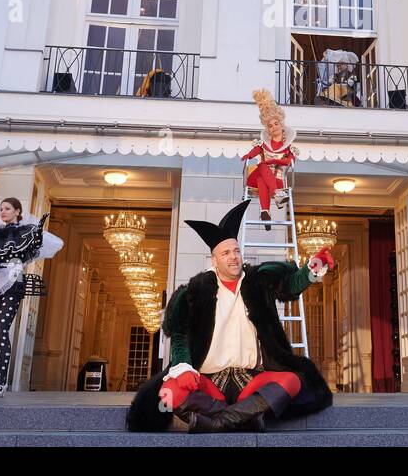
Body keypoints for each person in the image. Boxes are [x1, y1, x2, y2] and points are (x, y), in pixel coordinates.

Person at [126, 199, 335, 433]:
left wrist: (312, 269)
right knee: (170, 391)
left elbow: (290, 284)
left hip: (250, 379)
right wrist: (183, 366)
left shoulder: (258, 281)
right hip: (209, 381)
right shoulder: (194, 293)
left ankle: (217, 423)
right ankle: (246, 418)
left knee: (292, 380)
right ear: (214, 260)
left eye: (236, 250)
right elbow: (178, 334)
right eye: (226, 252)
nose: (234, 257)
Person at [0, 198, 62, 397]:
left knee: (1, 330)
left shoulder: (25, 232)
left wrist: (37, 231)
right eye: (1, 209)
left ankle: (2, 382)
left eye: (7, 208)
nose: (3, 211)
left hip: (13, 281)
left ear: (17, 211)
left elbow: (45, 244)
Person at [241, 88, 295, 226]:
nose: (274, 127)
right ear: (267, 129)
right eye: (270, 126)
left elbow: (289, 161)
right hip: (269, 185)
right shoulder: (264, 143)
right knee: (263, 167)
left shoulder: (288, 146)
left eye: (276, 124)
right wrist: (249, 155)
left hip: (276, 181)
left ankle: (265, 212)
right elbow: (256, 150)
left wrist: (274, 160)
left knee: (262, 175)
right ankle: (277, 196)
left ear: (281, 124)